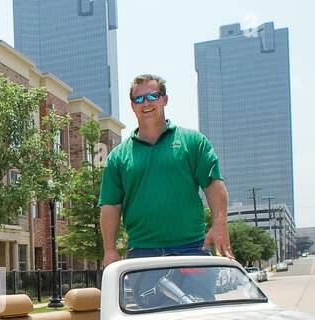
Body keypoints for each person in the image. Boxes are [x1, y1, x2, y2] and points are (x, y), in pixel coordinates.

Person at [99, 74, 233, 268]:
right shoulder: (118, 156)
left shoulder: (193, 142)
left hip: (192, 248)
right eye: (138, 99)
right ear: (132, 105)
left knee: (197, 300)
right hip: (142, 252)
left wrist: (219, 224)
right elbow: (110, 205)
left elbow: (213, 184)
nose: (146, 103)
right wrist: (109, 249)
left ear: (164, 99)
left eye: (153, 96)